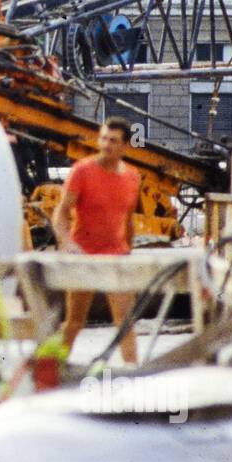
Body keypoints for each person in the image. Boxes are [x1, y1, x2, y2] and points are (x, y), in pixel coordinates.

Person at [52, 116, 141, 364]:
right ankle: (52, 372)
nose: (106, 145)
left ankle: (133, 377)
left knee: (125, 321)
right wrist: (67, 243)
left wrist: (129, 252)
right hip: (85, 254)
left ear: (124, 146)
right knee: (74, 321)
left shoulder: (133, 177)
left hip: (117, 256)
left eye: (113, 141)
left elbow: (129, 219)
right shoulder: (82, 171)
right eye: (103, 138)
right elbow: (60, 212)